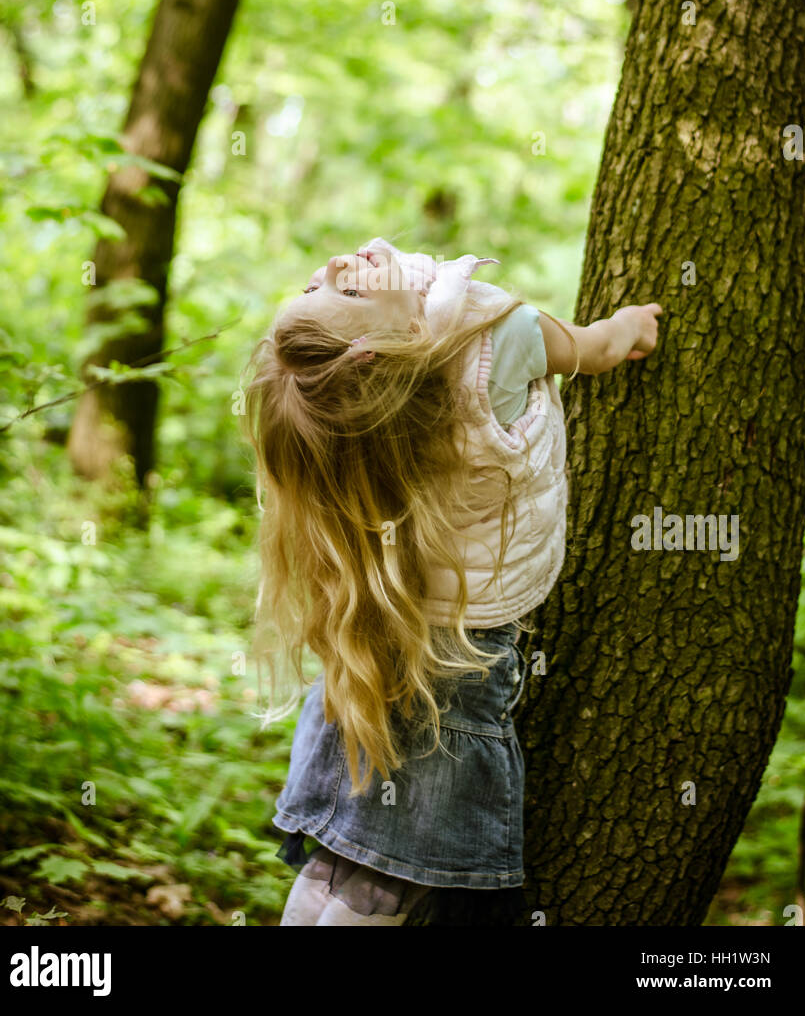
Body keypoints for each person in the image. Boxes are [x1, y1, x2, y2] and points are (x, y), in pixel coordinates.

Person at [240, 238, 662, 925]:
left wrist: (363, 297)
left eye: (322, 278)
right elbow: (596, 349)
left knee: (339, 857)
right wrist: (631, 325)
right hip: (462, 642)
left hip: (376, 623)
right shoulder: (500, 339)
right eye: (337, 289)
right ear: (390, 341)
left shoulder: (346, 395)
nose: (340, 265)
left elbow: (356, 325)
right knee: (384, 879)